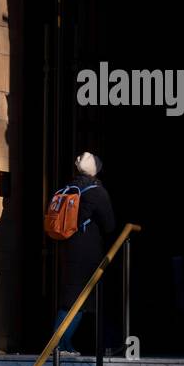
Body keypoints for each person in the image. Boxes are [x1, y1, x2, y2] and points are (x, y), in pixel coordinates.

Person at [53, 151, 116, 355]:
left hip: (68, 249)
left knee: (76, 299)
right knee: (77, 301)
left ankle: (65, 344)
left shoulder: (68, 188)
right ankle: (57, 344)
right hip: (88, 253)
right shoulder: (97, 192)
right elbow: (110, 225)